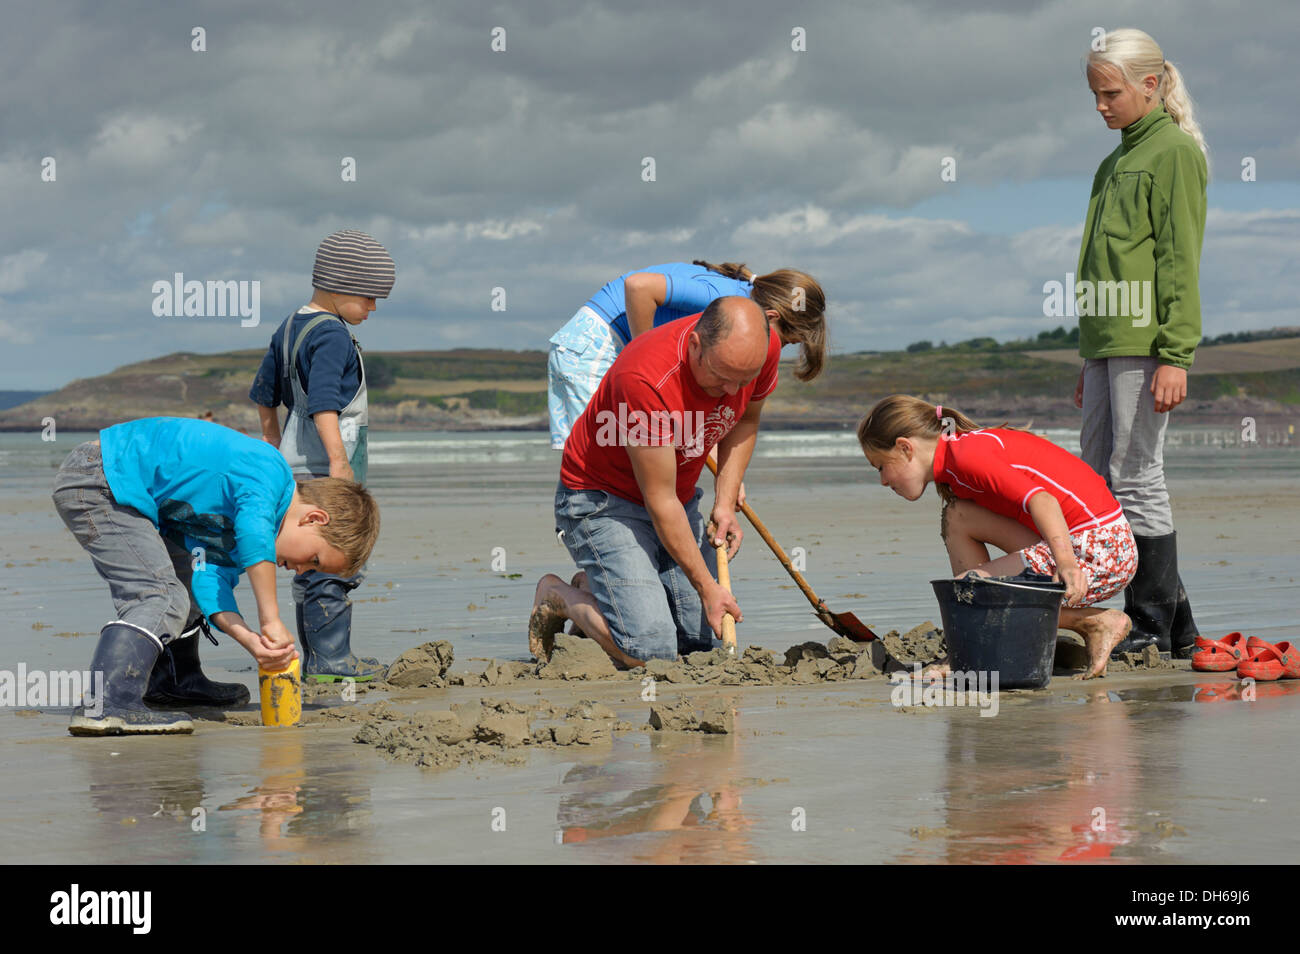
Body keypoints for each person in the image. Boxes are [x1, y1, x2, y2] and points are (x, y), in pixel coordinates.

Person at [52, 417, 380, 735]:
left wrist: (251, 640)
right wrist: (270, 620)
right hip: (102, 478)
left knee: (186, 587)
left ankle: (172, 682)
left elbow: (209, 583)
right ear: (314, 518)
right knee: (160, 595)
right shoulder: (269, 471)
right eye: (313, 559)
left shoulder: (233, 538)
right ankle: (106, 703)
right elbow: (255, 534)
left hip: (124, 491)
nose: (301, 570)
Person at [529, 296, 779, 666]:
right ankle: (561, 595)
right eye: (721, 377)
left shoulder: (761, 346)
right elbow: (659, 501)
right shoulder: (644, 378)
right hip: (602, 502)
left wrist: (724, 504)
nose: (731, 391)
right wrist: (709, 588)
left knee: (698, 643)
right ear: (695, 345)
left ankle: (601, 589)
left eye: (743, 380)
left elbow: (744, 420)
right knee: (651, 651)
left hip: (678, 498)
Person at [1075, 28, 1208, 658]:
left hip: (1146, 340)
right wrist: (1091, 354)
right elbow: (1100, 265)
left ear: (1150, 85)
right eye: (1095, 94)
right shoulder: (1113, 161)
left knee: (1136, 477)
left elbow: (1180, 259)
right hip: (1107, 341)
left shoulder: (1173, 152)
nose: (1101, 106)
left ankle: (1150, 624)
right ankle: (1179, 628)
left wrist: (1175, 354)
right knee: (1099, 478)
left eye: (1111, 93)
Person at [857, 395, 1137, 679]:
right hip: (1098, 540)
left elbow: (1043, 501)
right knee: (958, 516)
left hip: (1100, 552)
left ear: (905, 448)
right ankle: (972, 644)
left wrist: (1066, 563)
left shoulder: (967, 457)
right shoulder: (957, 454)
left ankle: (1096, 622)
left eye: (881, 466)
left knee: (970, 593)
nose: (883, 480)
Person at [250, 229, 395, 681]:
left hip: (294, 466)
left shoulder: (289, 326)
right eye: (369, 298)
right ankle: (332, 659)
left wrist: (274, 446)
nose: (372, 309)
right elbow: (325, 402)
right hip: (326, 468)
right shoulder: (332, 335)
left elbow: (263, 393)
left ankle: (317, 659)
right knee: (335, 560)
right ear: (339, 285)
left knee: (305, 564)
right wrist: (338, 461)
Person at [547, 260, 826, 449]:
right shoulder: (724, 297)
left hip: (595, 346)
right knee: (601, 451)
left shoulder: (738, 300)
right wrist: (645, 359)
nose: (772, 351)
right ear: (771, 316)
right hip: (593, 346)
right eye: (785, 342)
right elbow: (638, 287)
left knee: (631, 448)